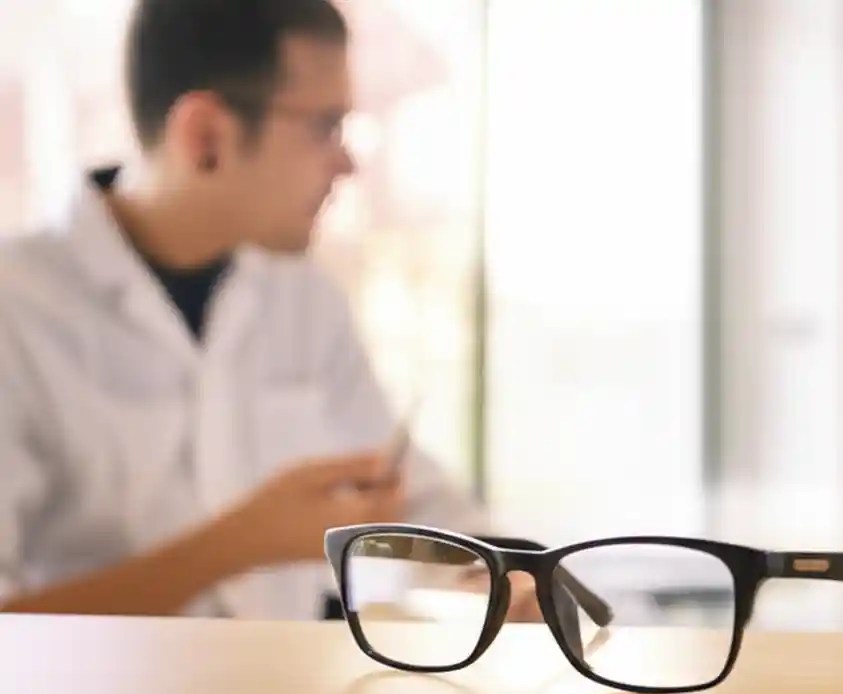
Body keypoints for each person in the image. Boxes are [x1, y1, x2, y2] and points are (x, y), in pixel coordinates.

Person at [0, 0, 535, 620]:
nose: (348, 162)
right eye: (324, 126)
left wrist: (516, 577)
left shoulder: (306, 301)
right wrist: (237, 545)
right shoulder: (18, 310)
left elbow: (420, 501)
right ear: (206, 138)